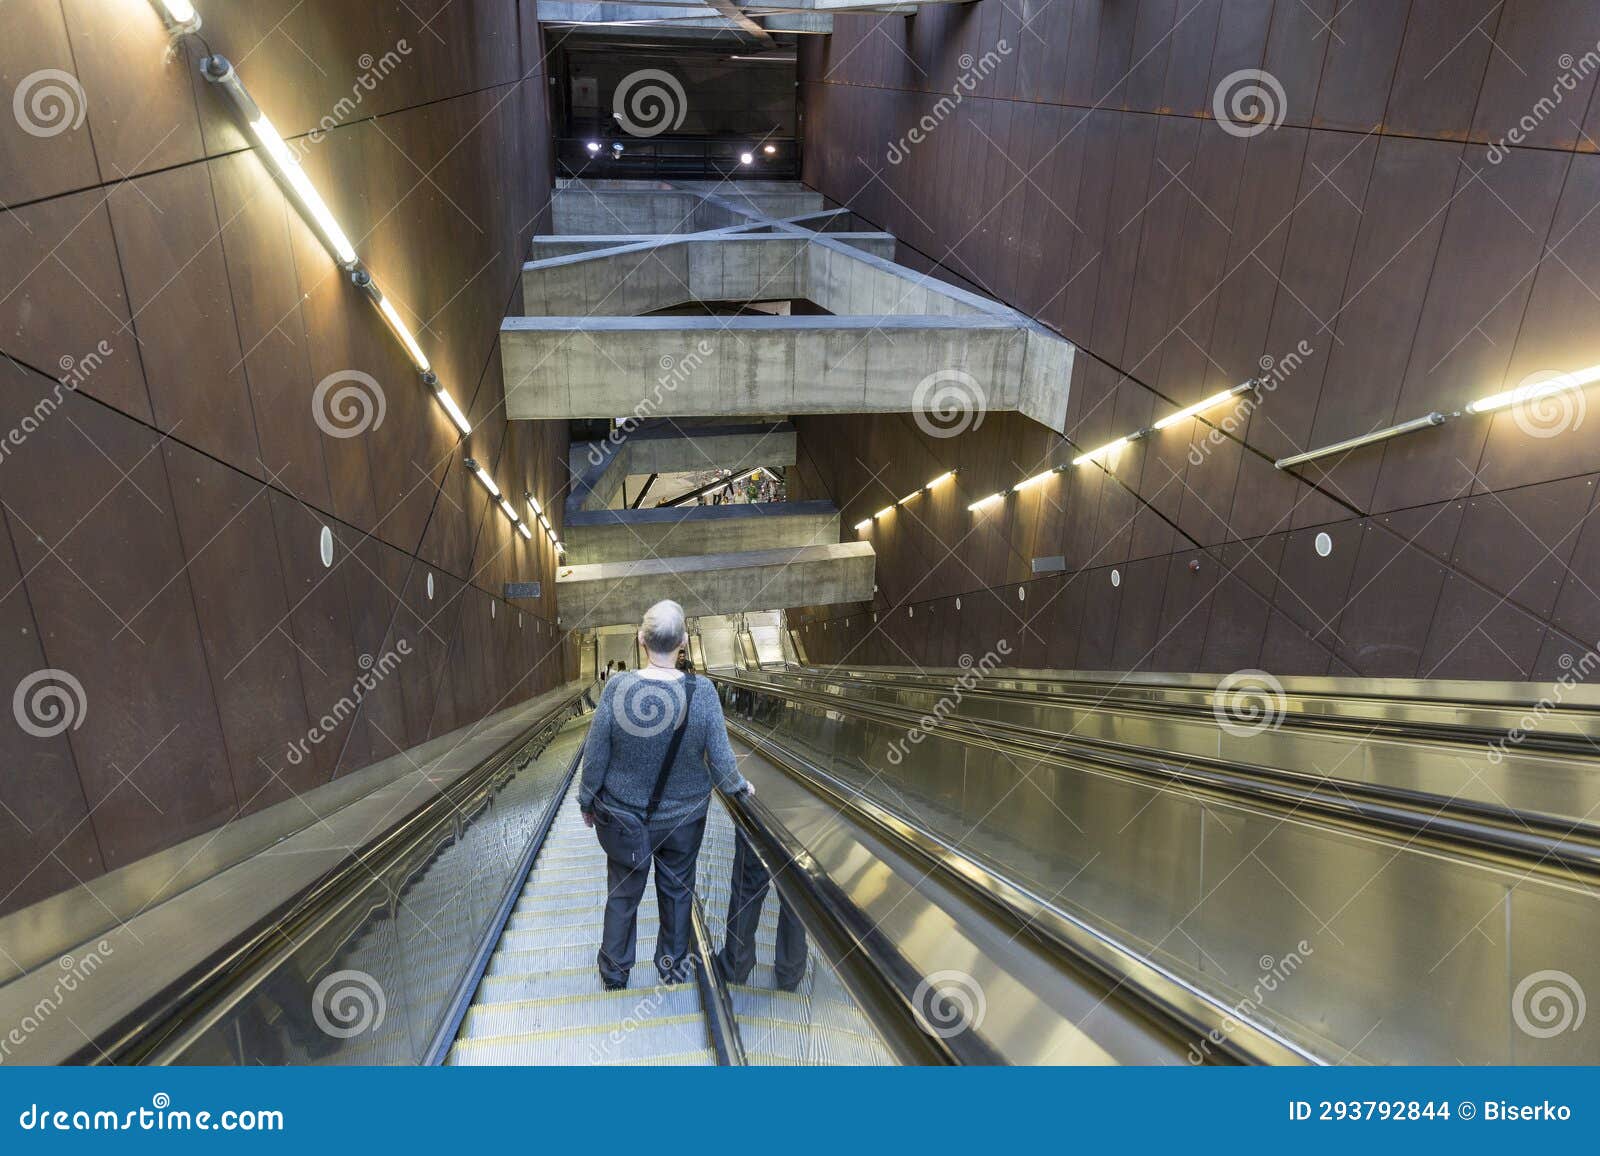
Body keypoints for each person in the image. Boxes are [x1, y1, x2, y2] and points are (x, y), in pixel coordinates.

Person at [579, 600, 753, 989]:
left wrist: (587, 800)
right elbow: (722, 759)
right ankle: (671, 969)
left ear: (641, 640)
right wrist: (739, 788)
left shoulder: (618, 687)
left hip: (624, 819)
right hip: (684, 819)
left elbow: (596, 754)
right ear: (684, 643)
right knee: (677, 894)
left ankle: (614, 975)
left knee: (622, 894)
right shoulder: (702, 692)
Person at [716, 831, 807, 992]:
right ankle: (790, 973)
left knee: (747, 889)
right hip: (809, 824)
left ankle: (736, 966)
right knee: (796, 896)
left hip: (759, 816)